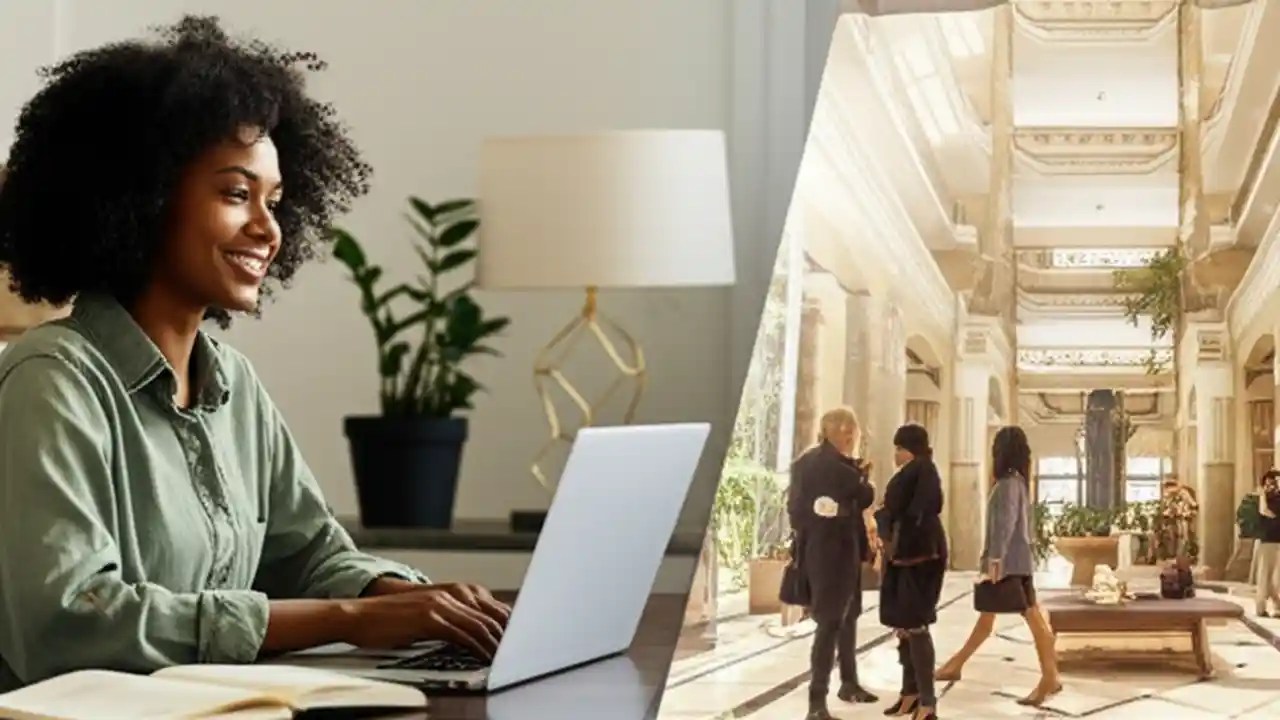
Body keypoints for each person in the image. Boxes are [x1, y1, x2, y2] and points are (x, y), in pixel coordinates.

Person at [0, 16, 509, 691]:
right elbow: (70, 624)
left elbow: (307, 553)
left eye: (275, 201)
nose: (268, 230)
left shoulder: (233, 384)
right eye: (237, 194)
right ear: (141, 198)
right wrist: (346, 618)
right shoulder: (50, 382)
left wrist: (414, 599)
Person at [933, 425, 1062, 706]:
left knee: (1029, 619)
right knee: (996, 615)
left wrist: (995, 560)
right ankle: (956, 664)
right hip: (1017, 563)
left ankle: (1049, 676)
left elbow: (1004, 525)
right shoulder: (1019, 483)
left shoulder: (1006, 485)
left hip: (1007, 565)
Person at [786, 407, 879, 720]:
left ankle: (848, 683)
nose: (851, 437)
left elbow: (795, 511)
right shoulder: (834, 466)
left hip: (829, 548)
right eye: (845, 431)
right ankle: (817, 701)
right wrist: (861, 478)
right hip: (833, 552)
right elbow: (866, 495)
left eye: (853, 432)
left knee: (847, 615)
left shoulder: (808, 463)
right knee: (830, 622)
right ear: (830, 431)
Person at [876, 424, 946, 720]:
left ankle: (928, 702)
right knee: (904, 625)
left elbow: (918, 512)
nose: (896, 454)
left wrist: (887, 518)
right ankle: (910, 694)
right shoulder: (915, 471)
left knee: (915, 625)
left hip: (918, 558)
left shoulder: (923, 471)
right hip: (904, 556)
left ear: (911, 449)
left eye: (899, 448)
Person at [1255, 470, 1280, 618]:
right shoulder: (1267, 498)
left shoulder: (1275, 498)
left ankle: (1276, 606)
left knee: (1274, 577)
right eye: (1270, 482)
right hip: (1268, 541)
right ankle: (1261, 607)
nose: (1273, 485)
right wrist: (1263, 495)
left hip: (1276, 541)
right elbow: (1265, 512)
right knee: (1266, 576)